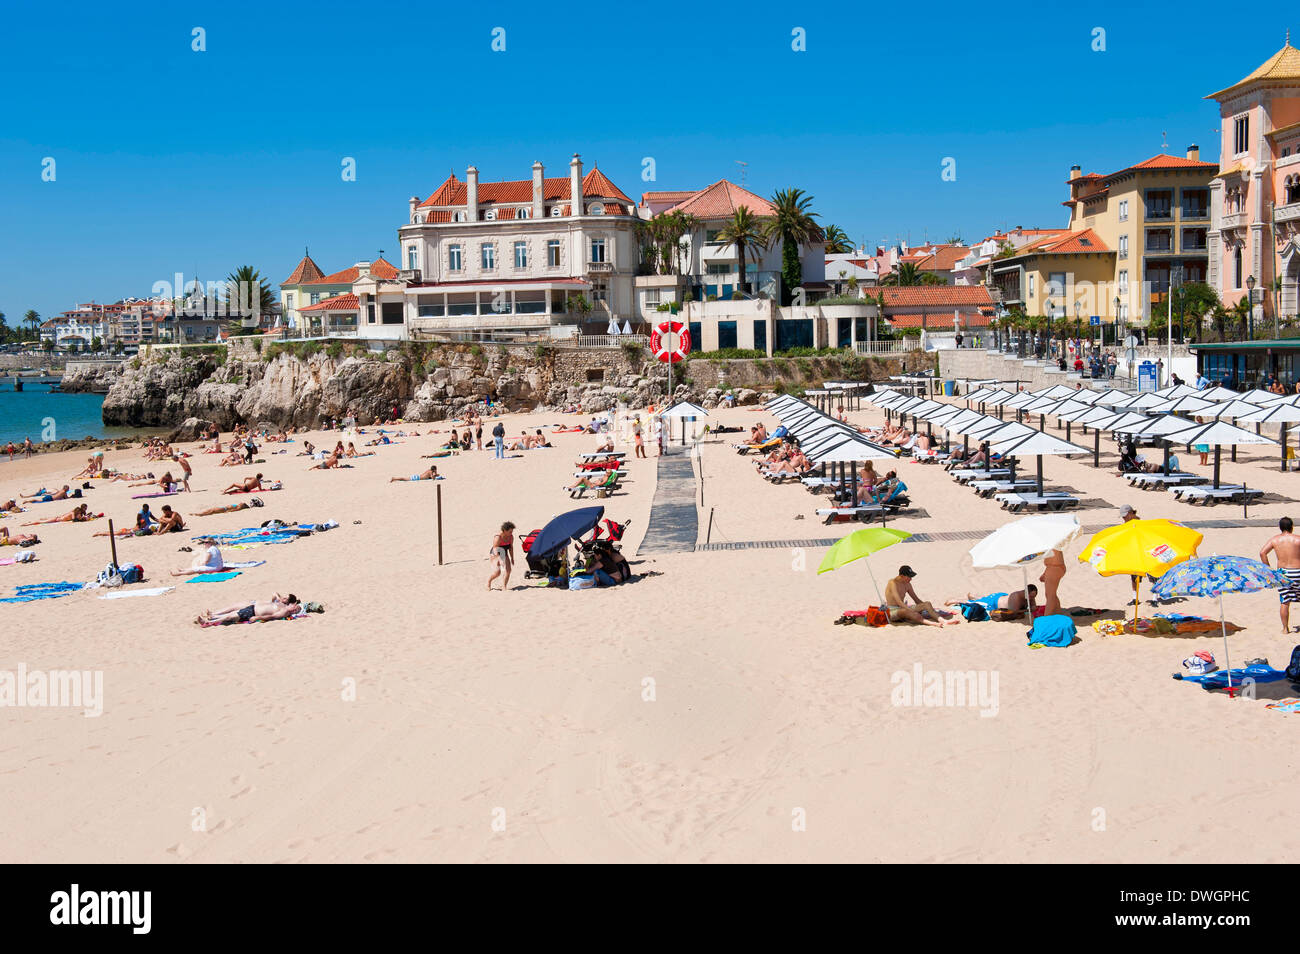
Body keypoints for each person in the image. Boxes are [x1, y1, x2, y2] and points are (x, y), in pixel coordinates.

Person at [1260, 517, 1300, 633]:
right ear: (1292, 527)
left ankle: (1285, 628)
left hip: (1283, 572)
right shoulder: (1298, 539)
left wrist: (1269, 570)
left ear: (1280, 527)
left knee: (1285, 601)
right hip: (1298, 571)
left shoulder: (1275, 540)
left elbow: (1262, 553)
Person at [883, 565, 955, 627]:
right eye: (909, 577)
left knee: (927, 604)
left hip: (903, 607)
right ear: (902, 576)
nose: (911, 579)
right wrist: (911, 611)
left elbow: (916, 599)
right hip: (892, 610)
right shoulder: (892, 583)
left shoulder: (907, 584)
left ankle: (943, 621)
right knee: (907, 611)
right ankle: (932, 623)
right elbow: (899, 602)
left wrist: (925, 607)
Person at [198, 594, 302, 626]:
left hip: (253, 612)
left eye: (295, 607)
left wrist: (258, 617)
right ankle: (212, 617)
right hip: (252, 608)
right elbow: (274, 594)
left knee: (230, 616)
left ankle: (208, 622)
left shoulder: (285, 611)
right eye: (294, 604)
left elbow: (272, 617)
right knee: (231, 613)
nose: (294, 605)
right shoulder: (282, 605)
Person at [487, 521, 515, 591]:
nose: (511, 533)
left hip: (504, 552)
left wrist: (512, 558)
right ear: (505, 530)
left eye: (512, 531)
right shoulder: (498, 537)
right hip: (496, 552)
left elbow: (511, 548)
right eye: (510, 531)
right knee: (497, 573)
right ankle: (488, 582)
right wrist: (498, 559)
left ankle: (504, 586)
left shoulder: (511, 537)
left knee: (508, 570)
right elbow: (495, 549)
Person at [1039, 550, 1065, 615]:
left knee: (1050, 595)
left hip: (1054, 567)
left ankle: (1047, 617)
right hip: (1052, 567)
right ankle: (1058, 614)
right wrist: (1045, 572)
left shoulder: (1053, 542)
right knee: (1051, 594)